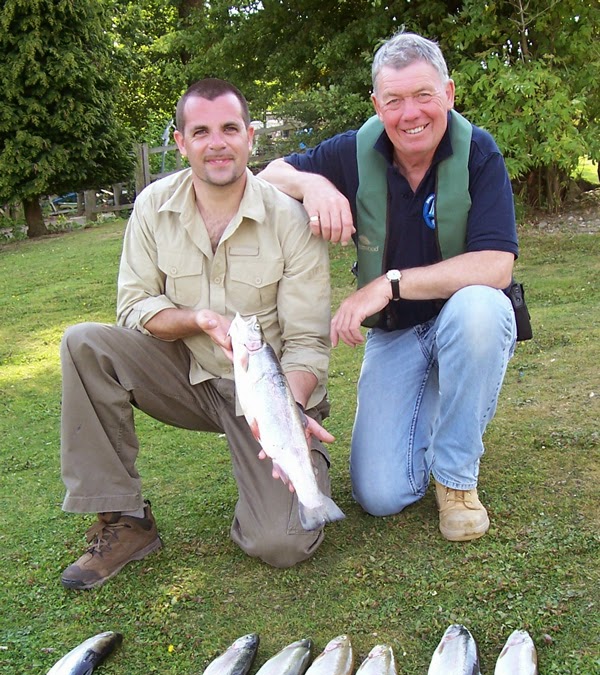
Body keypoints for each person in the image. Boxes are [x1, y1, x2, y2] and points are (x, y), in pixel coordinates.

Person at [59, 78, 336, 590]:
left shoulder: (289, 218)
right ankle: (125, 522)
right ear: (181, 142)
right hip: (185, 374)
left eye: (229, 128)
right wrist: (199, 320)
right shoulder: (153, 206)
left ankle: (299, 468)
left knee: (281, 542)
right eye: (201, 132)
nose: (217, 144)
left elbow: (306, 343)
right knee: (84, 344)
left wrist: (287, 415)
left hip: (270, 393)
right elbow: (134, 307)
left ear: (250, 136)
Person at [259, 32, 518, 542]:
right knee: (379, 494)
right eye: (394, 100)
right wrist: (312, 183)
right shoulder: (354, 151)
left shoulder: (479, 152)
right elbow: (267, 175)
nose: (410, 113)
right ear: (377, 105)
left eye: (423, 95)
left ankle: (456, 478)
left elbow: (496, 266)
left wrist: (388, 284)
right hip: (396, 334)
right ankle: (441, 411)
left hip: (465, 322)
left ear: (449, 93)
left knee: (480, 309)